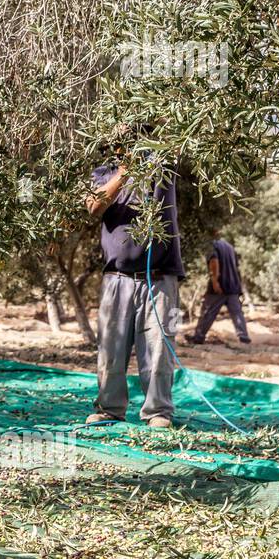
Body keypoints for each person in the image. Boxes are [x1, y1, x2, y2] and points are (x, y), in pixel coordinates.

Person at [85, 146, 184, 428]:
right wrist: (124, 173)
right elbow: (93, 206)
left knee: (159, 350)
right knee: (110, 349)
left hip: (160, 276)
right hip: (116, 276)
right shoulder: (105, 169)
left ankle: (158, 412)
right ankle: (108, 409)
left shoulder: (162, 159)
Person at [184, 229, 251, 346]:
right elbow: (236, 266)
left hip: (220, 285)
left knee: (207, 312)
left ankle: (198, 337)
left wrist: (215, 281)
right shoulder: (229, 246)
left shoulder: (212, 245)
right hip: (233, 285)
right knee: (237, 313)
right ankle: (244, 338)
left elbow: (214, 261)